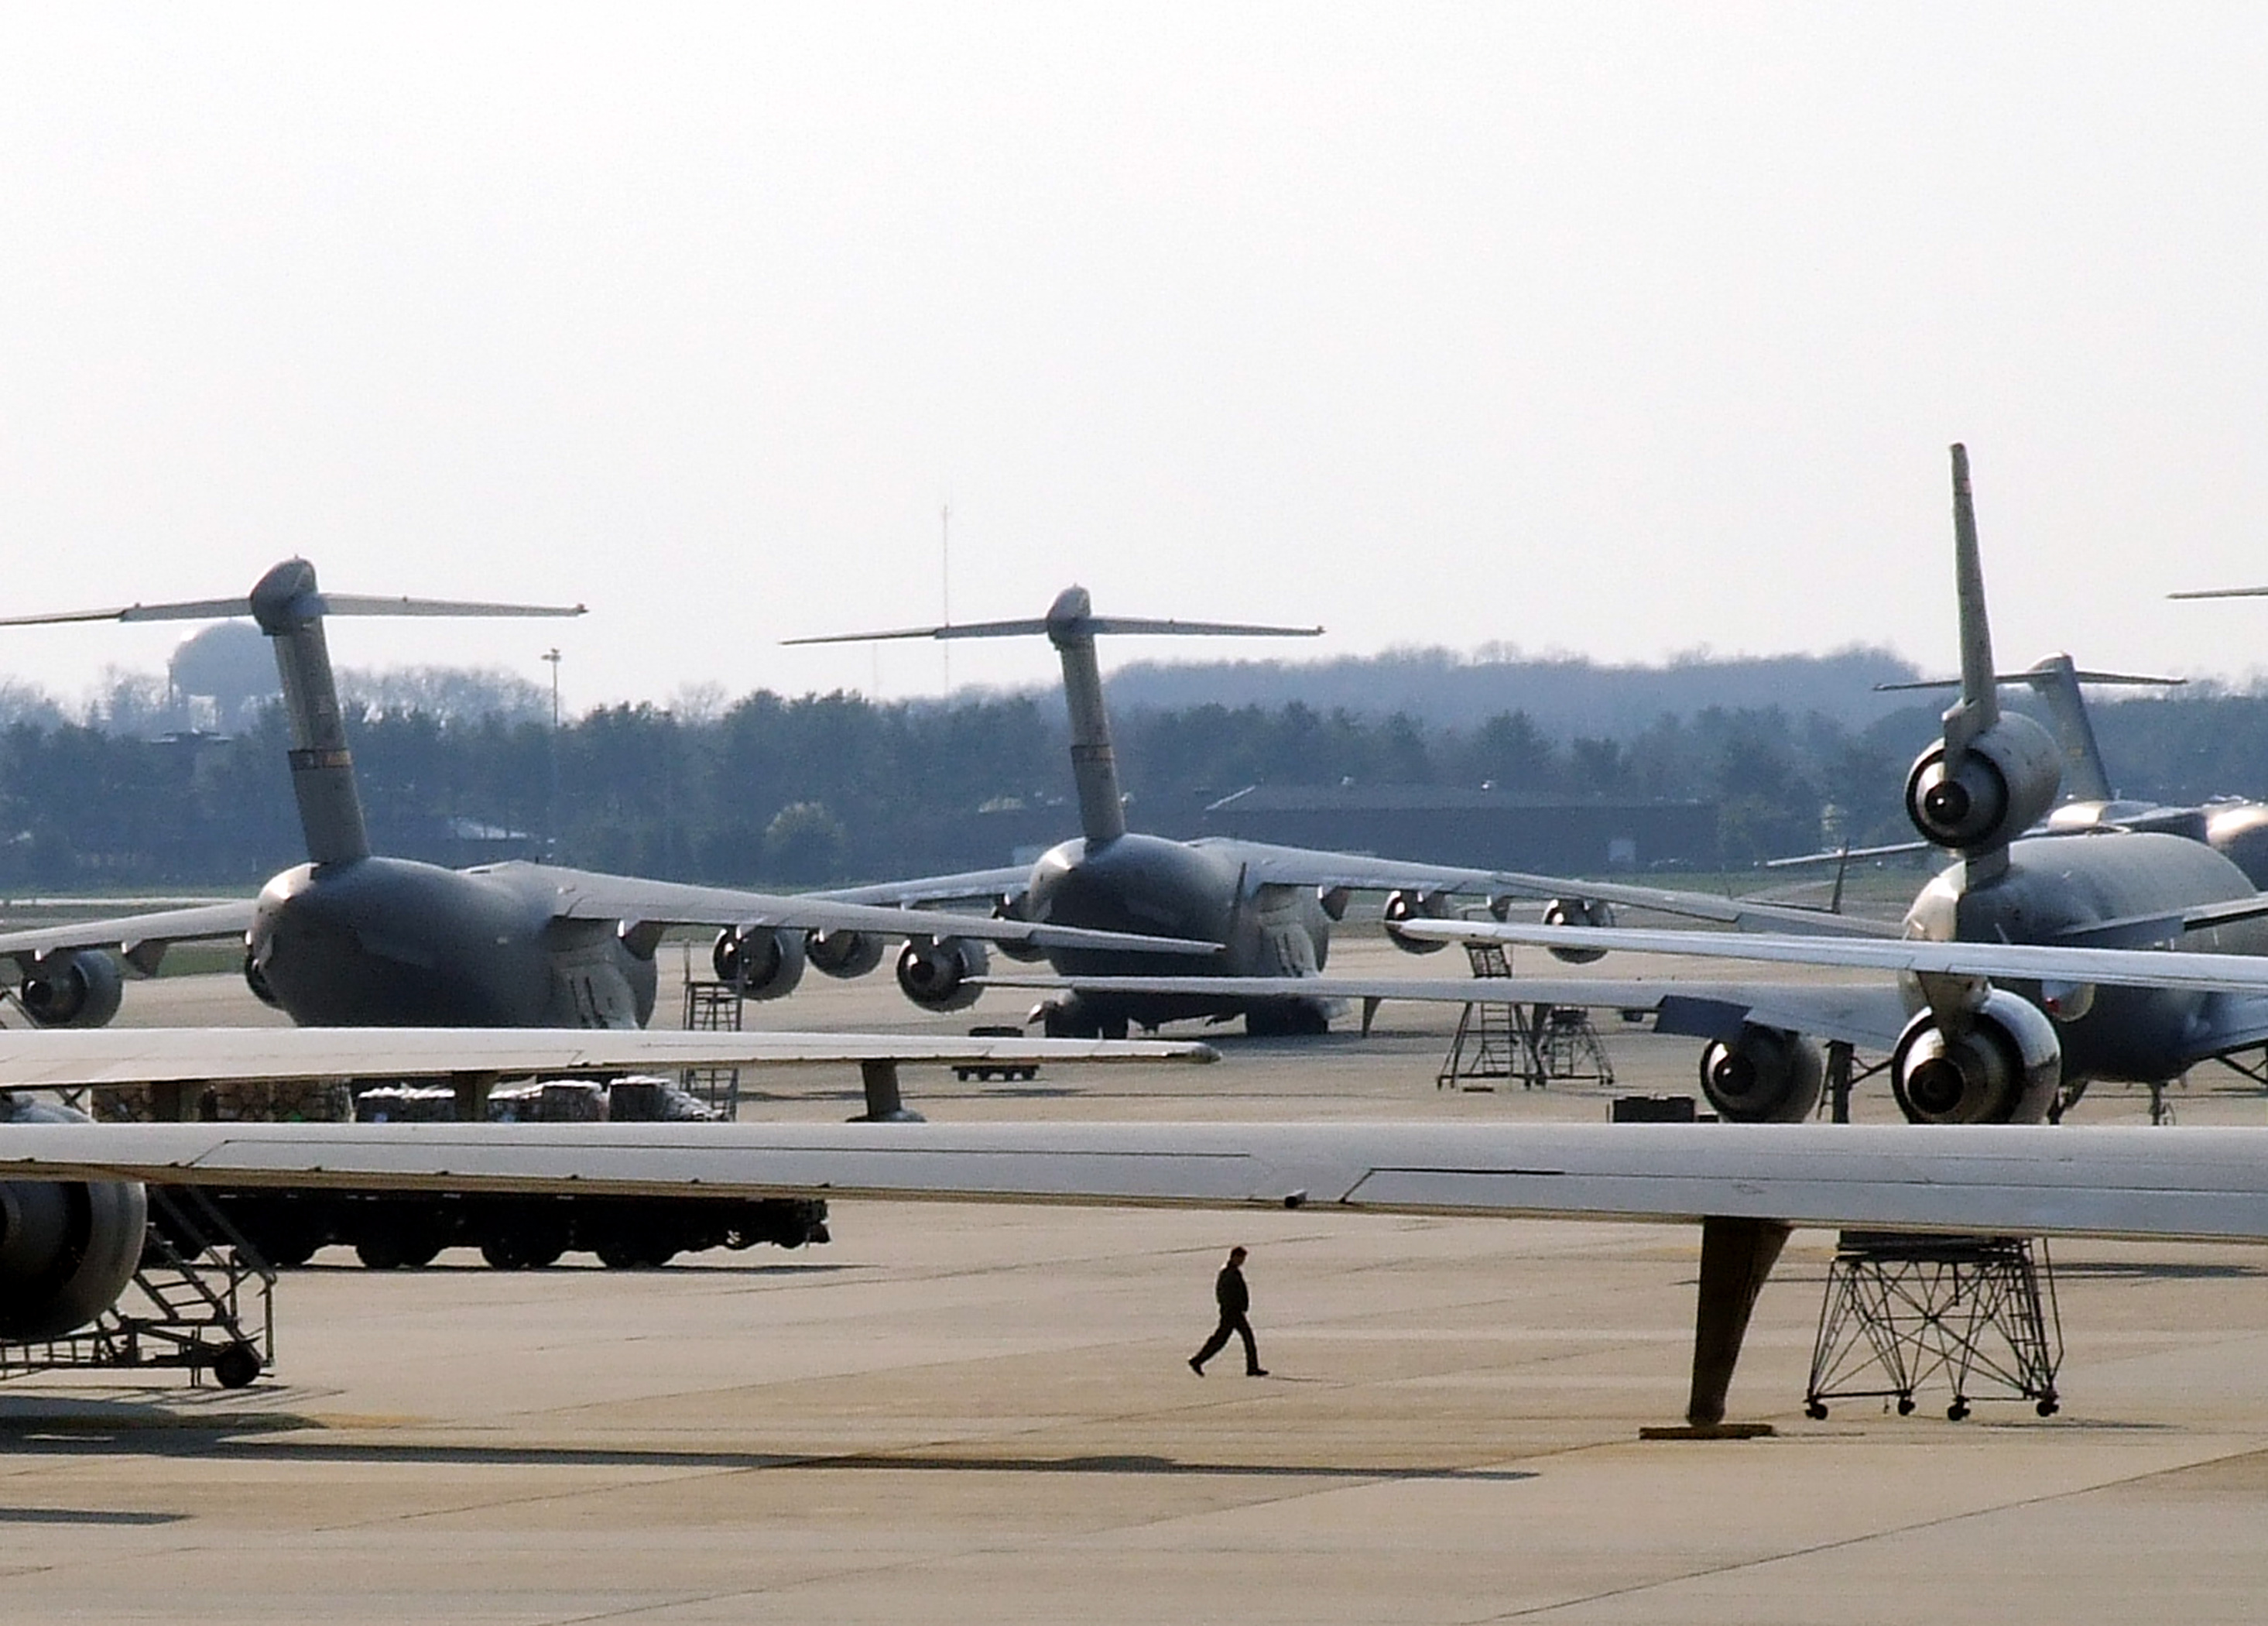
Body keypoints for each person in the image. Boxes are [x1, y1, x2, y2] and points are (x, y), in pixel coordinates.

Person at [1189, 1245, 1266, 1376]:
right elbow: (1223, 1294)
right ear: (1234, 1257)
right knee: (1233, 1339)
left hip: (1234, 1312)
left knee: (1222, 1340)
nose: (1242, 1261)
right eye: (1241, 1258)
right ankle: (1197, 1360)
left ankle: (1198, 1360)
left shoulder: (1232, 1271)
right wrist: (1232, 1308)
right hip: (1232, 1313)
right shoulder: (1228, 1273)